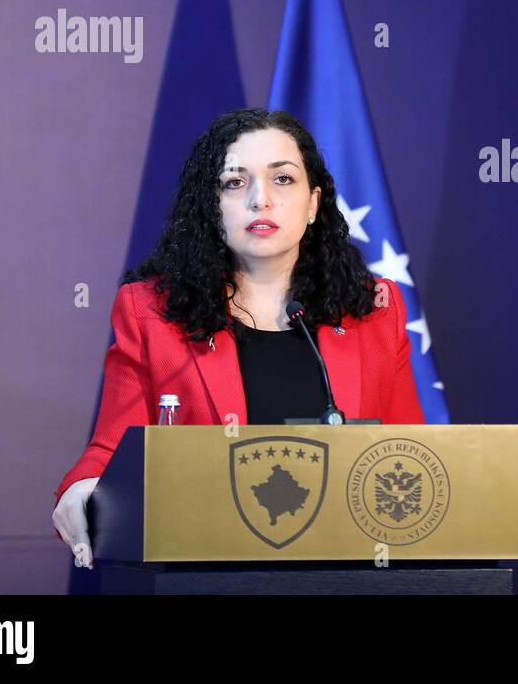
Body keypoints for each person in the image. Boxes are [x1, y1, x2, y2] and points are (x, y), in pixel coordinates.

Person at [51, 108, 426, 570]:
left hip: (348, 576)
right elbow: (111, 449)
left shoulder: (373, 310)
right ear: (211, 207)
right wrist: (81, 487)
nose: (260, 200)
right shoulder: (150, 311)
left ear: (313, 204)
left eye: (283, 179)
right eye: (234, 182)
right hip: (209, 575)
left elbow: (411, 452)